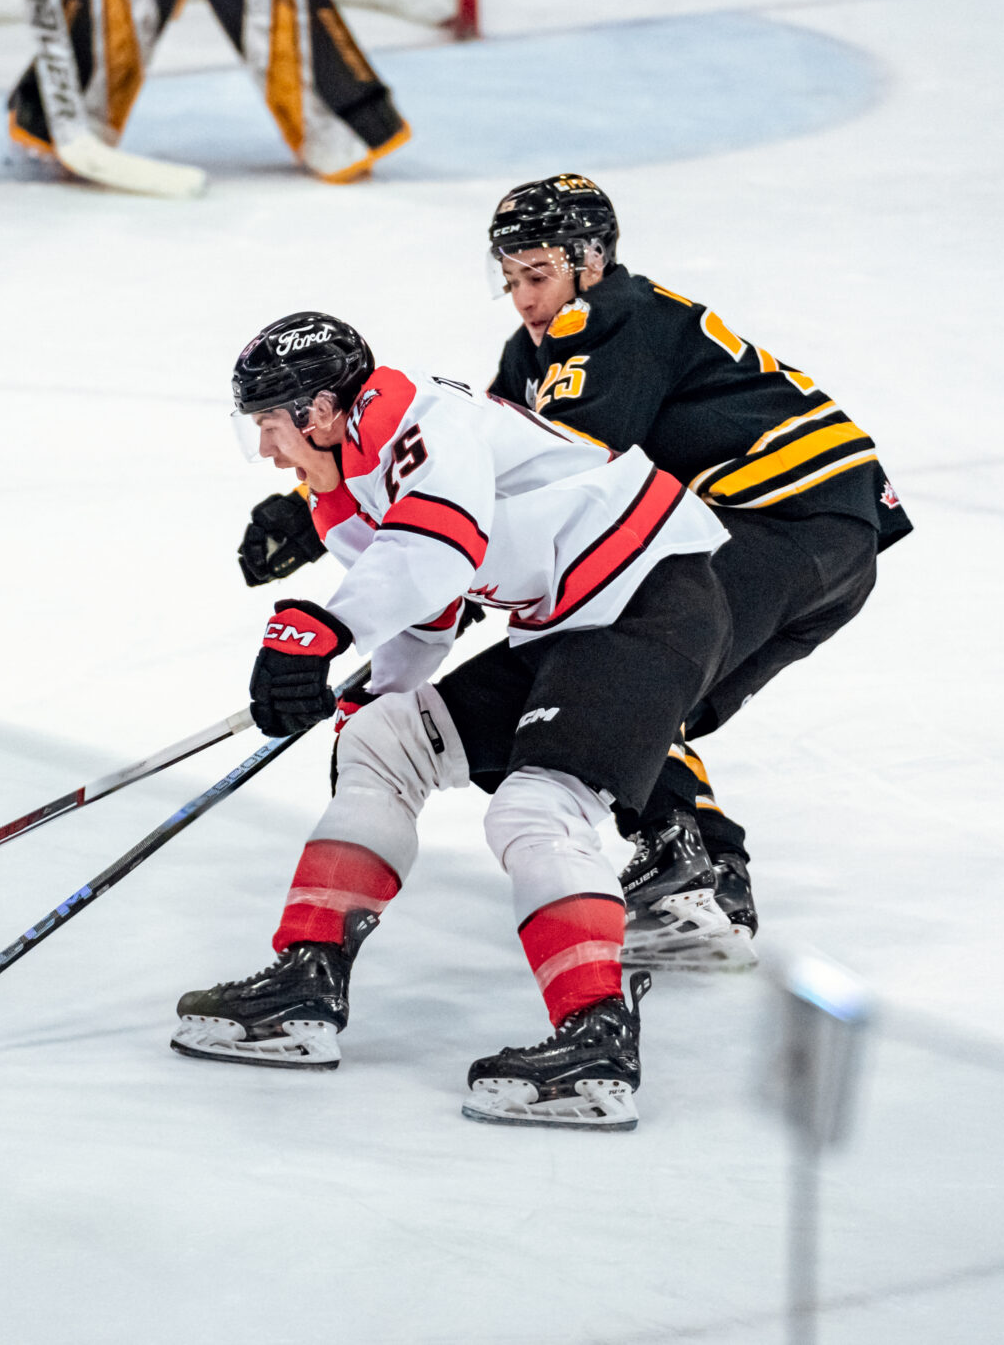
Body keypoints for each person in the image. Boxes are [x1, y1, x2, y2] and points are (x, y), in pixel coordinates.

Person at [236, 174, 914, 971]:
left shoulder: (614, 321)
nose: (524, 296)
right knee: (641, 691)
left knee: (618, 659)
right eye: (512, 277)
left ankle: (692, 869)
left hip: (788, 512)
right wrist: (329, 504)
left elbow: (521, 500)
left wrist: (350, 552)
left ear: (593, 262)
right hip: (807, 533)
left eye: (540, 273)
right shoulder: (531, 356)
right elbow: (480, 493)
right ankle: (699, 875)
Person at [173, 311, 732, 1130]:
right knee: (382, 740)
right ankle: (307, 981)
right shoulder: (348, 493)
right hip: (570, 623)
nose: (265, 449)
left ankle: (596, 1037)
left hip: (651, 599)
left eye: (269, 425)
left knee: (536, 806)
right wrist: (362, 693)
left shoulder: (424, 417)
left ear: (320, 412)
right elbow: (426, 611)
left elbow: (439, 550)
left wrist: (318, 633)